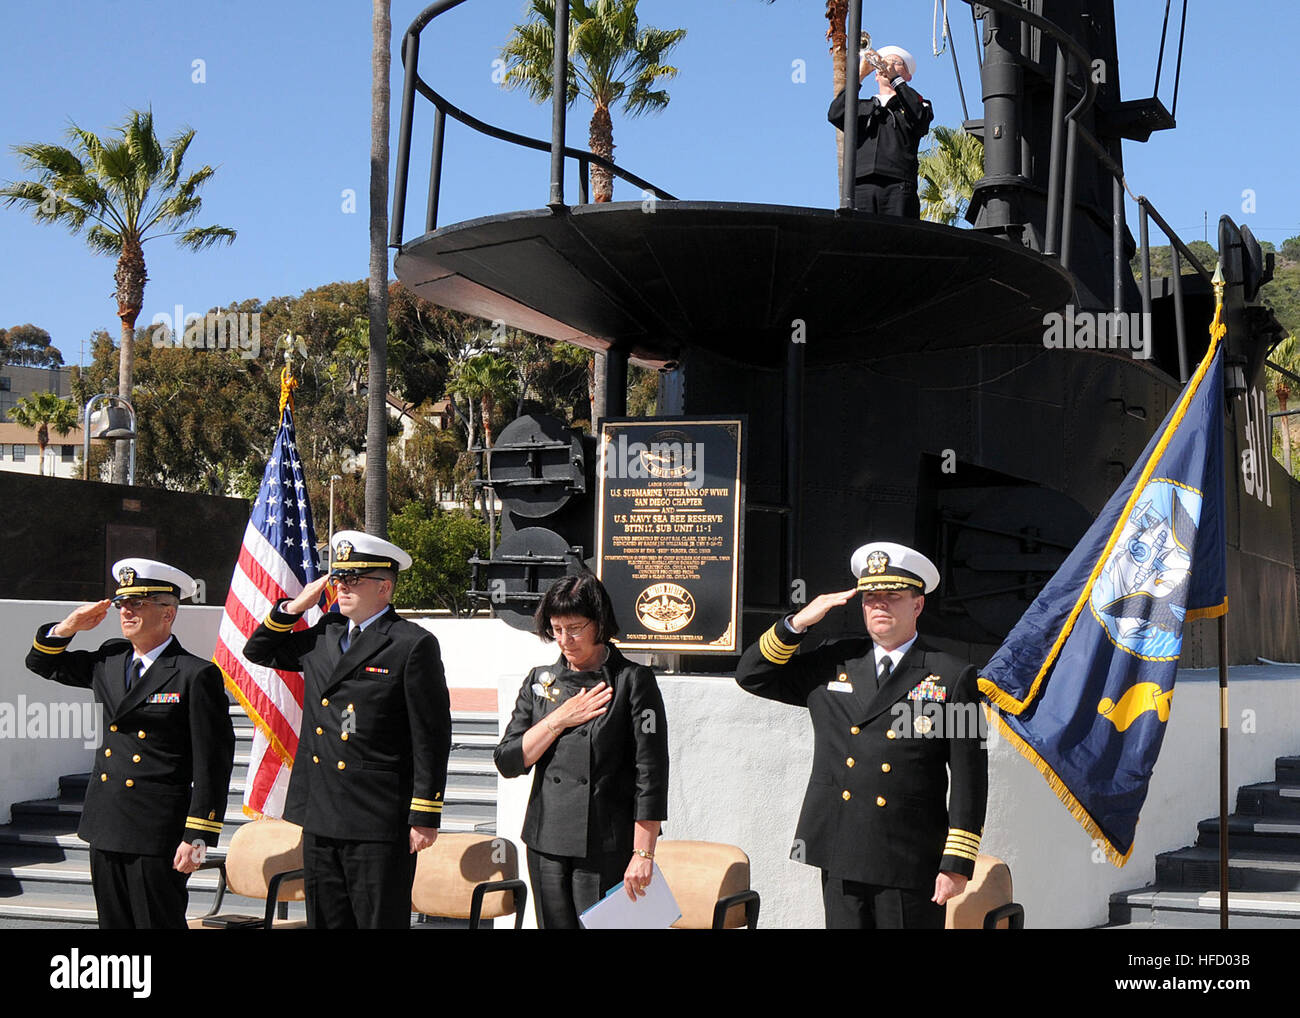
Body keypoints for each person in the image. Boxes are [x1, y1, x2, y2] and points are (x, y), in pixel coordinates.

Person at [735, 541, 987, 929]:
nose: (880, 605)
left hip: (910, 858)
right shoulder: (835, 662)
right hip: (842, 849)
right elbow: (752, 676)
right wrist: (797, 623)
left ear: (917, 605)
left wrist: (957, 863)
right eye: (871, 597)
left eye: (893, 596)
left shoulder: (953, 675)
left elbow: (971, 780)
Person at [243, 530, 451, 929]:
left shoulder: (411, 644)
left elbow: (431, 734)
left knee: (376, 921)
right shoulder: (324, 635)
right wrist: (294, 606)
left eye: (354, 580)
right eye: (339, 579)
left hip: (376, 816)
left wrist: (425, 812)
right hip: (321, 811)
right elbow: (259, 650)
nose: (342, 588)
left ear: (384, 588)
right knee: (327, 920)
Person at [24, 558, 235, 929]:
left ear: (168, 612)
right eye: (123, 604)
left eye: (139, 603)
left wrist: (199, 835)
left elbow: (213, 762)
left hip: (158, 830)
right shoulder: (109, 658)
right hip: (106, 822)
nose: (127, 611)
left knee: (156, 922)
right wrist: (70, 626)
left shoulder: (194, 673)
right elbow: (42, 663)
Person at [494, 573, 669, 929]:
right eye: (556, 629)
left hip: (605, 844)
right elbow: (509, 760)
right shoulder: (539, 681)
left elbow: (649, 774)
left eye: (574, 628)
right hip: (546, 841)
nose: (564, 640)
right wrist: (558, 720)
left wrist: (643, 852)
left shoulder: (631, 680)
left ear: (599, 623)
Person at [827, 44, 933, 217]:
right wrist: (859, 75)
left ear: (907, 75)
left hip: (899, 186)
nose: (887, 65)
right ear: (876, 75)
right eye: (884, 62)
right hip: (860, 185)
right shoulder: (862, 106)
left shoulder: (918, 103)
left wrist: (895, 79)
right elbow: (835, 113)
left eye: (896, 63)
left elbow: (920, 118)